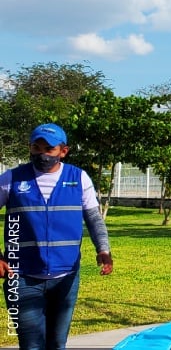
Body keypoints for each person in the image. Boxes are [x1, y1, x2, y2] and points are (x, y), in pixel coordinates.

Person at [0, 123, 114, 350]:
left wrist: (103, 248)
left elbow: (93, 218)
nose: (41, 154)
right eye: (36, 147)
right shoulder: (11, 179)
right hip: (21, 276)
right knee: (32, 345)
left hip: (66, 277)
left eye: (48, 149)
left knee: (57, 344)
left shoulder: (78, 178)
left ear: (63, 151)